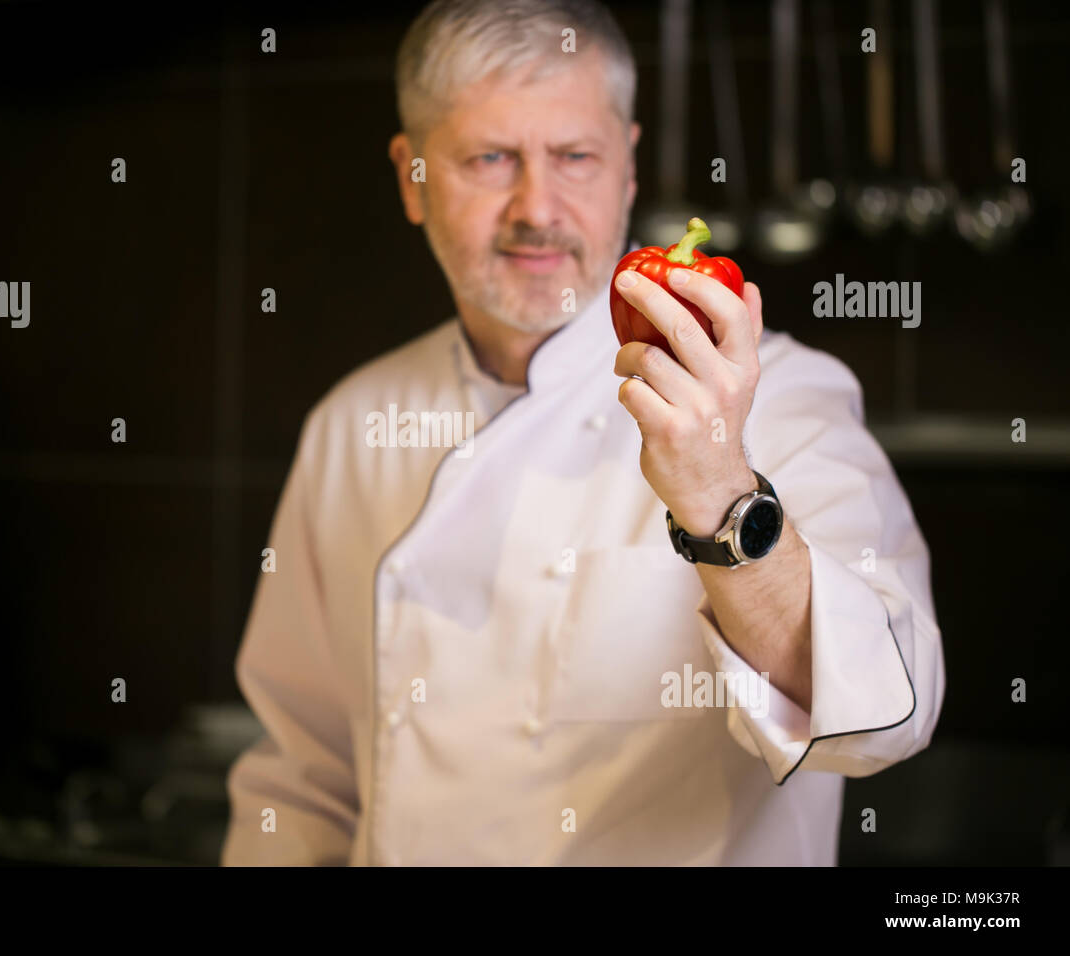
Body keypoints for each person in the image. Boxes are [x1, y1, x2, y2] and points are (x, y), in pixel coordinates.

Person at [221, 0, 944, 865]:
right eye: (489, 158)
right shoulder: (351, 423)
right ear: (412, 177)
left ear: (628, 169)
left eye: (574, 157)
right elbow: (303, 773)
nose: (538, 207)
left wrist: (719, 491)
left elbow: (883, 717)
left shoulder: (779, 397)